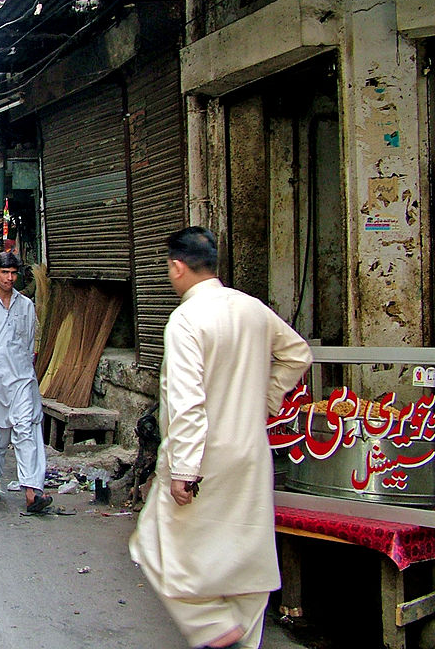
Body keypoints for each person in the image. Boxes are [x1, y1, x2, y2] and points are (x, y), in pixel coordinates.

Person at [129, 227, 312, 649]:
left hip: (203, 460)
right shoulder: (252, 309)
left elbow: (188, 403)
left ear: (177, 267)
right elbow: (298, 353)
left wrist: (184, 470)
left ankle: (213, 628)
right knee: (246, 564)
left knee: (155, 544)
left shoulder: (187, 320)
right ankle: (240, 639)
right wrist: (265, 402)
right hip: (249, 455)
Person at [0, 252, 51, 514]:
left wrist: (30, 375)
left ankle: (31, 491)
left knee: (27, 430)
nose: (9, 278)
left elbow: (29, 345)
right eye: (4, 273)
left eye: (13, 273)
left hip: (22, 380)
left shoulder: (25, 305)